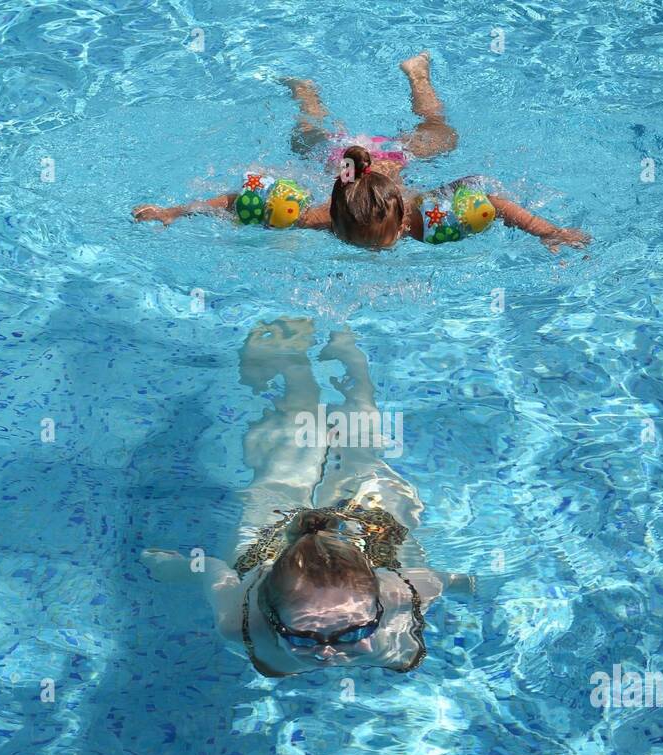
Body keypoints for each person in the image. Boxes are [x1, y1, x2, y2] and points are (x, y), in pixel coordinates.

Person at [142, 319, 473, 677]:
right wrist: (180, 571)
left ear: (381, 606)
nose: (326, 653)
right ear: (270, 616)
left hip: (295, 536)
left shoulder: (401, 593)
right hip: (347, 534)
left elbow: (213, 568)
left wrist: (175, 569)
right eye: (302, 637)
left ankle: (344, 356)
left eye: (355, 632)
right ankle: (301, 366)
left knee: (299, 468)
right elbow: (211, 573)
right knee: (354, 460)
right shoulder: (240, 622)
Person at [133, 53, 591, 253]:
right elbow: (235, 201)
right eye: (363, 240)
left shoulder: (416, 219)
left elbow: (497, 205)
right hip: (341, 156)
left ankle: (418, 74)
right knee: (309, 133)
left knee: (438, 130)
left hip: (396, 155)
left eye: (381, 237)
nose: (377, 247)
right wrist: (174, 212)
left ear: (400, 220)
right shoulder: (319, 217)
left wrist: (547, 231)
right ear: (335, 216)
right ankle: (304, 90)